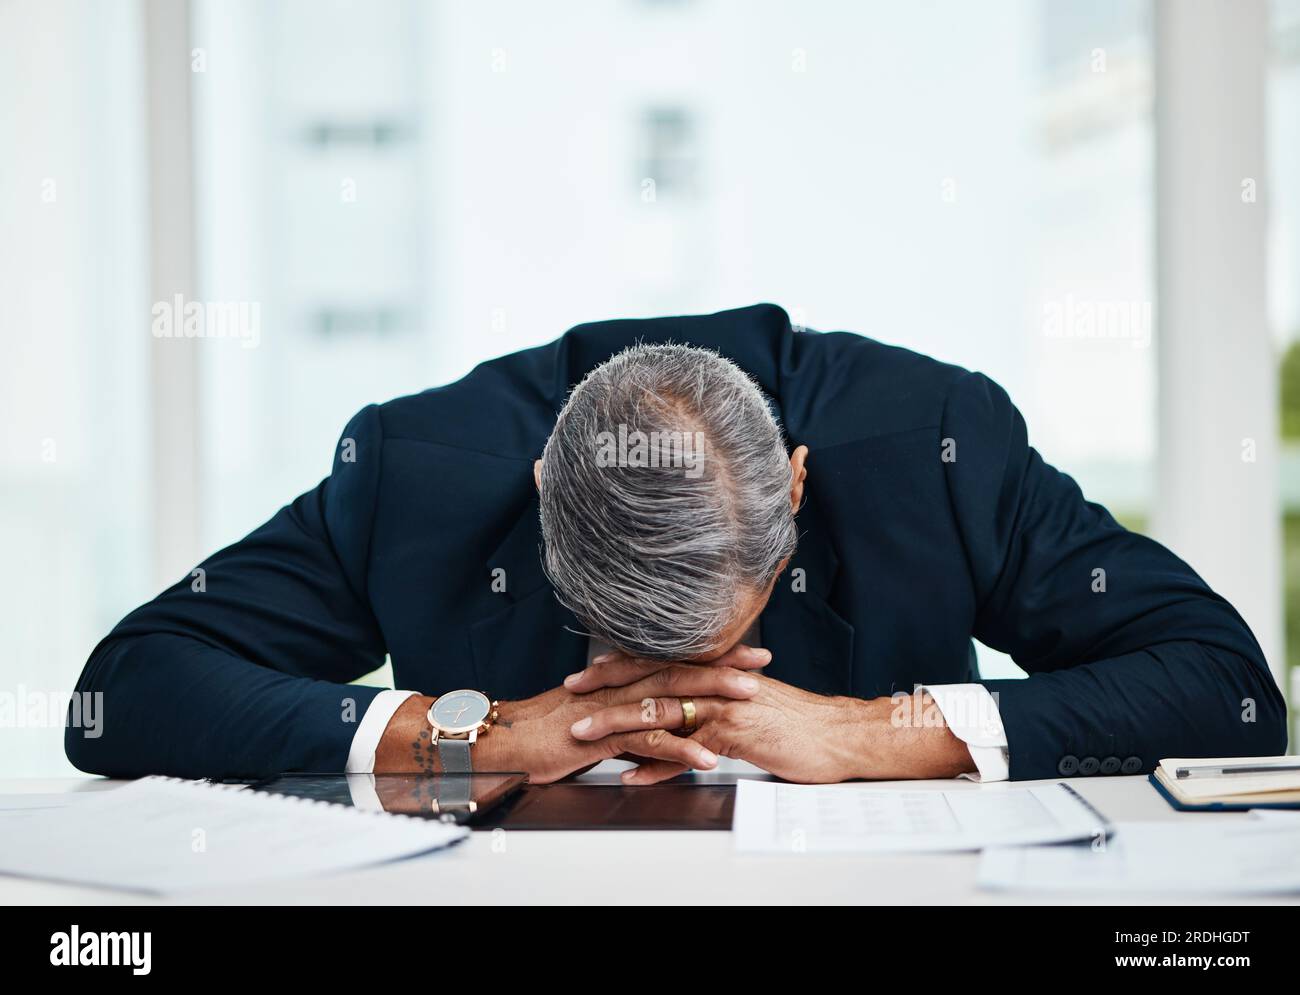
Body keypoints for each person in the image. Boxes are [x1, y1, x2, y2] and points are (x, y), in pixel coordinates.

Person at [67, 304, 1286, 785]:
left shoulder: (933, 444)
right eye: (623, 646)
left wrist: (879, 729)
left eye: (706, 644)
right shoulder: (414, 470)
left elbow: (1227, 689)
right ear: (542, 492)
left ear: (797, 494)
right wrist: (450, 732)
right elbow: (121, 695)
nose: (664, 695)